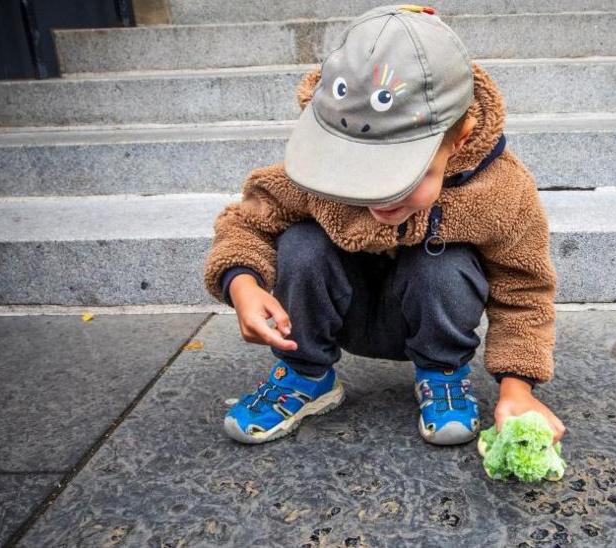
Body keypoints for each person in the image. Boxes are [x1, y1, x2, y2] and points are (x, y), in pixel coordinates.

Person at [202, 4, 565, 446]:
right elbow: (247, 221)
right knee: (301, 243)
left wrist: (517, 388)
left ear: (461, 138)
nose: (379, 197)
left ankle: (442, 372)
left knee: (444, 263)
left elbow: (523, 288)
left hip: (431, 314)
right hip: (342, 308)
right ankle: (305, 374)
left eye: (403, 177)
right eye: (358, 171)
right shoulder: (314, 174)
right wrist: (242, 284)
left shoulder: (500, 191)